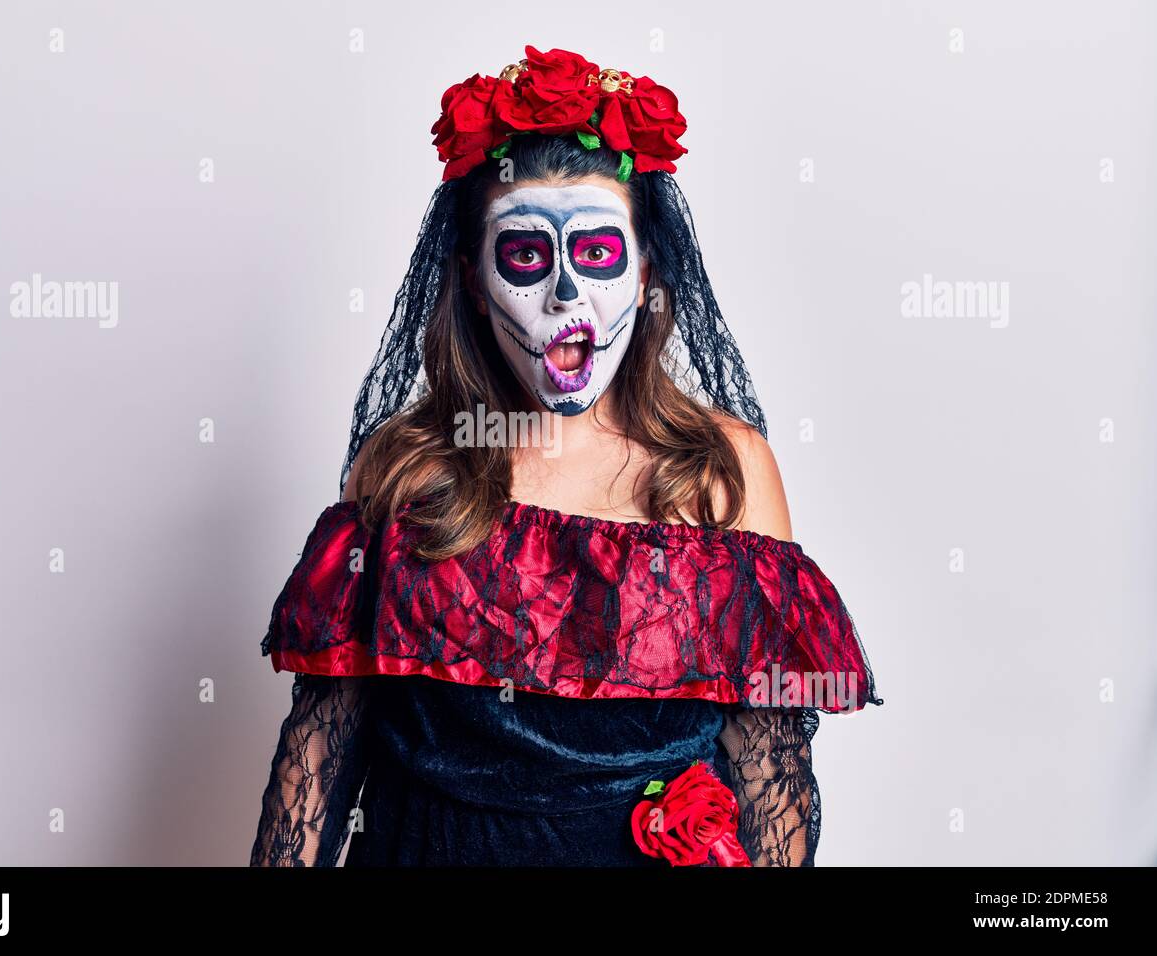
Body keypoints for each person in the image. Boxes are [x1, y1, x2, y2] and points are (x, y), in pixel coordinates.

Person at [250, 45, 883, 867]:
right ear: (474, 281)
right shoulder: (407, 466)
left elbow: (772, 769)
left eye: (596, 255)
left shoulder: (723, 472)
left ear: (647, 269)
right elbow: (321, 752)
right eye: (523, 256)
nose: (564, 295)